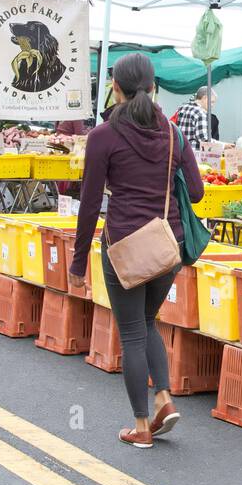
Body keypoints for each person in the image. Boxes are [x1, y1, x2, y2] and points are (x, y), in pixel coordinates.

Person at [69, 53, 203, 449]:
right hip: (168, 244)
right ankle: (163, 398)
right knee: (147, 322)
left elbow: (90, 203)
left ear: (115, 87)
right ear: (153, 86)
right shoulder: (173, 134)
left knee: (130, 332)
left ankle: (142, 426)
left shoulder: (103, 136)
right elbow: (196, 191)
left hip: (124, 245)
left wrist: (78, 263)